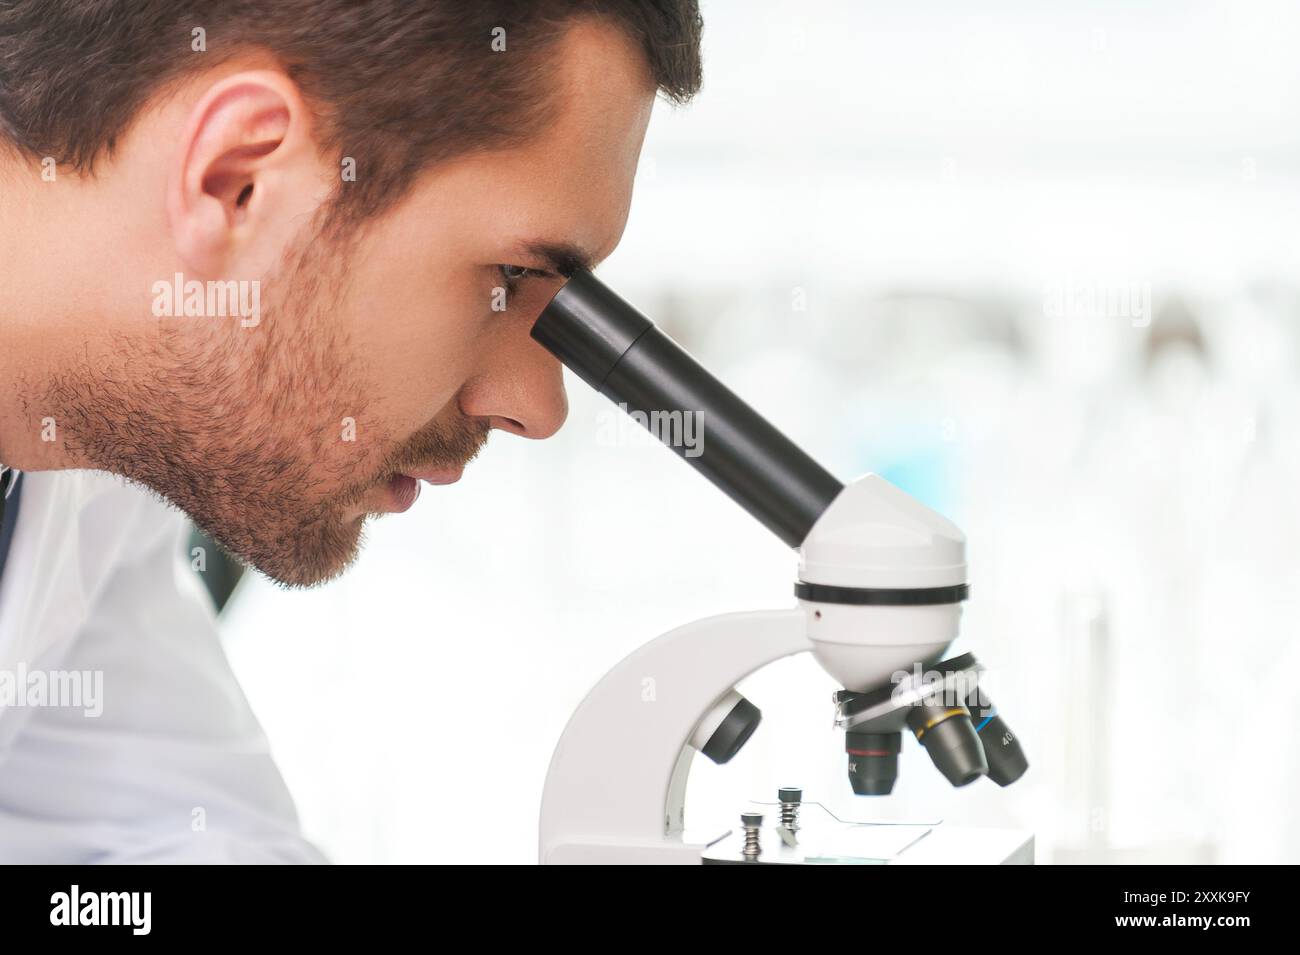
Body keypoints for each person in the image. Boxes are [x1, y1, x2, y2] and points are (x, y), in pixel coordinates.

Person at [0, 0, 702, 862]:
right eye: (511, 276)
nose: (539, 406)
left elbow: (168, 835)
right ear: (236, 180)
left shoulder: (91, 456)